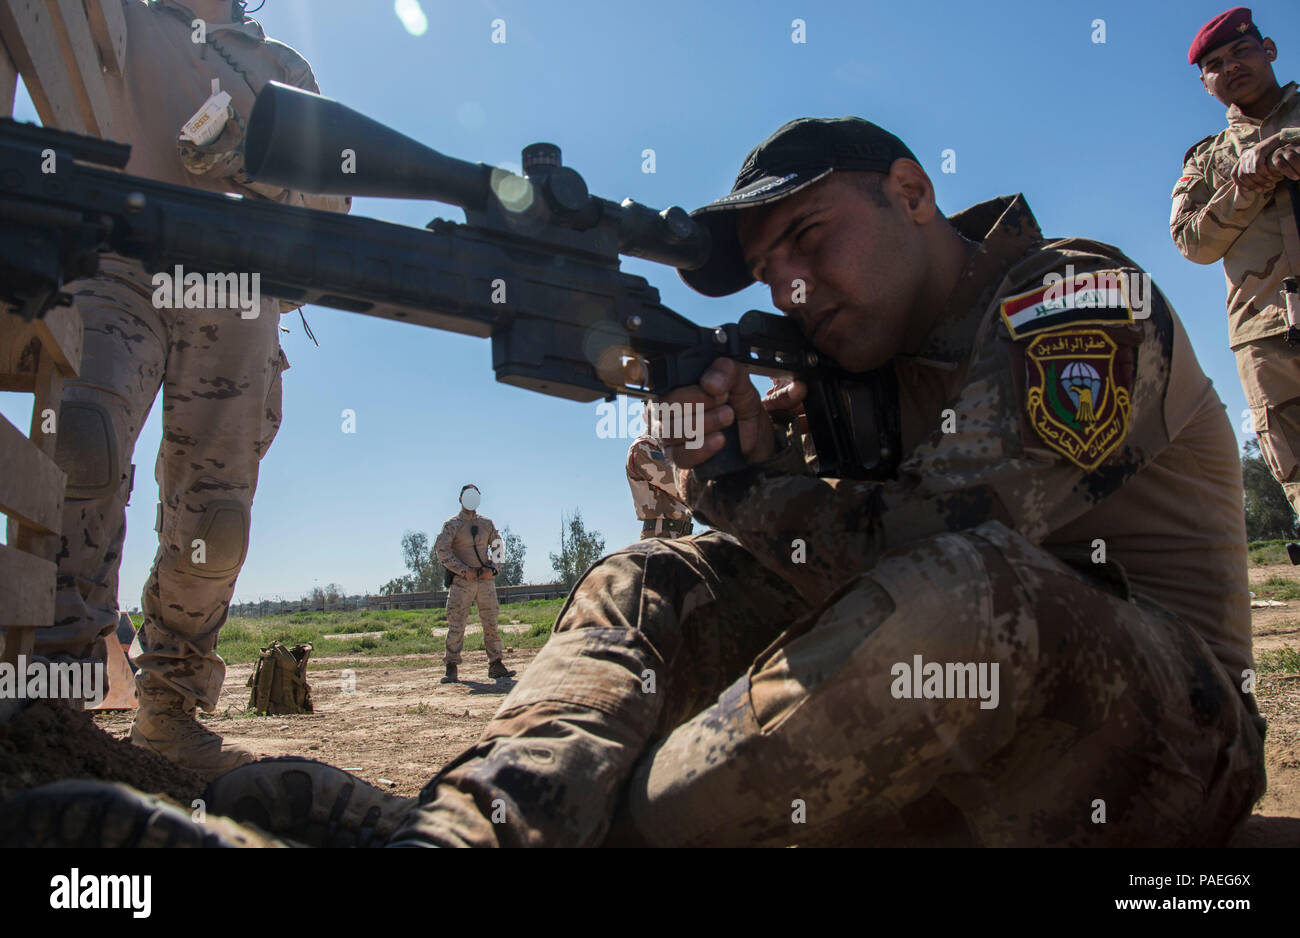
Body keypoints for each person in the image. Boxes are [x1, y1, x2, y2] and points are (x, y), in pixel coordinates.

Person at [4, 116, 1269, 848]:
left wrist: (749, 485)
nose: (790, 287)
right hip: (955, 751)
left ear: (912, 190)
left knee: (966, 589)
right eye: (766, 267)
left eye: (809, 239)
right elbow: (752, 558)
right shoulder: (840, 374)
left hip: (1168, 743)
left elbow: (951, 536)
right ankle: (481, 827)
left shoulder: (1070, 293)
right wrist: (694, 464)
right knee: (651, 574)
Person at [35, 0, 350, 778]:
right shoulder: (112, 14)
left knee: (218, 520)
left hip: (235, 285)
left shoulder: (281, 68)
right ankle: (49, 706)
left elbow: (332, 207)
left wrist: (251, 165)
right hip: (111, 255)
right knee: (81, 451)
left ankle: (170, 715)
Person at [1171, 6, 1300, 556]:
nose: (1231, 68)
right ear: (1205, 84)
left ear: (1268, 50)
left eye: (1241, 51)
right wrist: (1248, 182)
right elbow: (1192, 243)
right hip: (1267, 333)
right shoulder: (1206, 160)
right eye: (1215, 64)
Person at [434, 485, 515, 683]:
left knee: (491, 623)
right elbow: (442, 550)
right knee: (457, 623)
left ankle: (496, 663)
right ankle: (451, 666)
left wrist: (494, 568)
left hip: (485, 581)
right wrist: (463, 570)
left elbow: (498, 547)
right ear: (460, 499)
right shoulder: (452, 525)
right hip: (462, 582)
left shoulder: (487, 524)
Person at [626, 405, 693, 539]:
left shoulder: (672, 450)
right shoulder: (643, 447)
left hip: (682, 536)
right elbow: (682, 487)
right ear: (646, 417)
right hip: (660, 536)